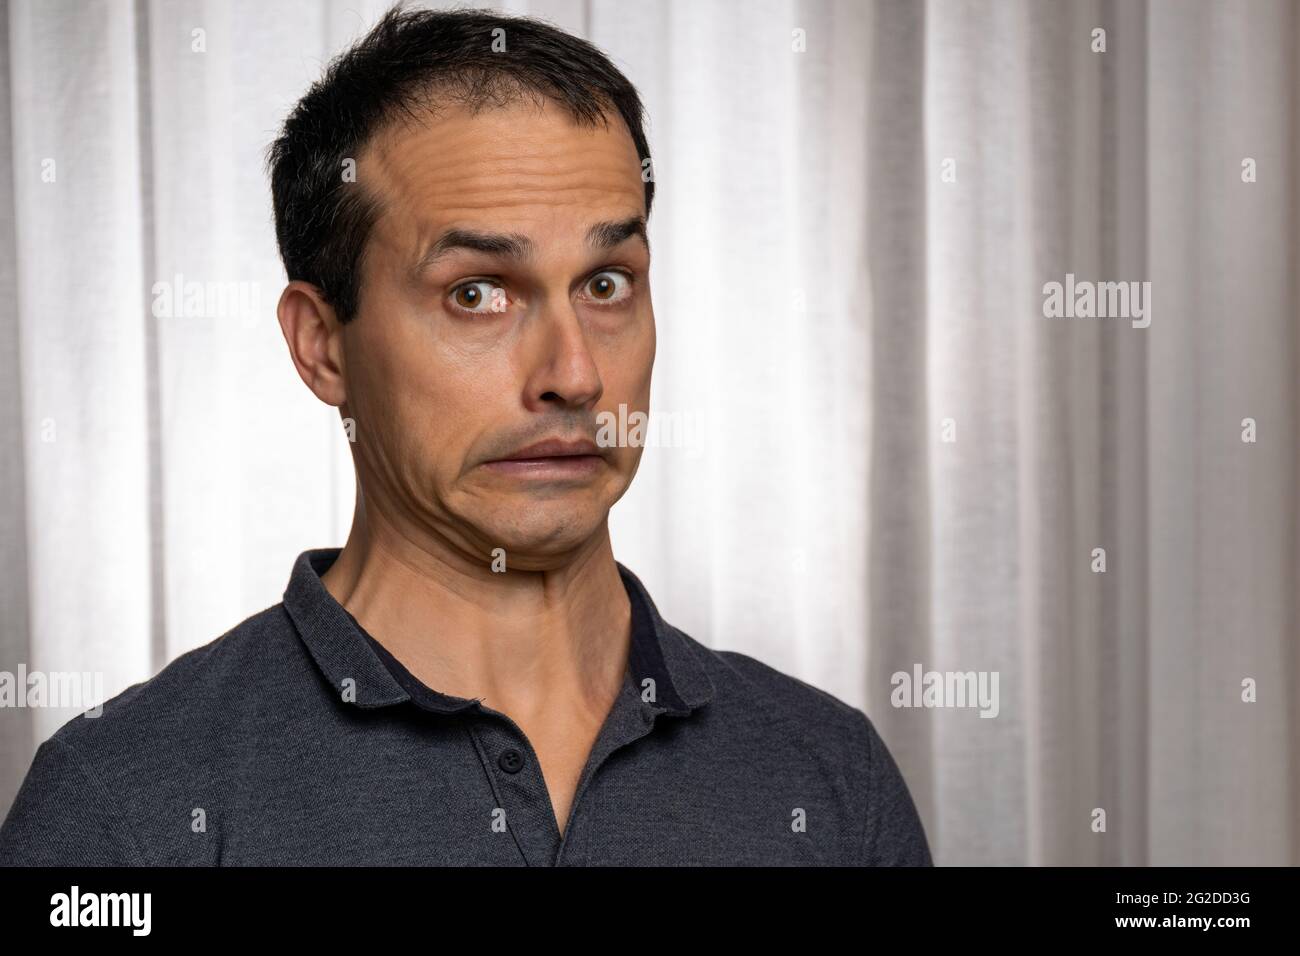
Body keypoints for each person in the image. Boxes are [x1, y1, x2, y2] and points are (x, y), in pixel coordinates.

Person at [0, 4, 930, 866]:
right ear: (322, 346)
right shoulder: (122, 808)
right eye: (476, 293)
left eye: (606, 283)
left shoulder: (830, 777)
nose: (573, 374)